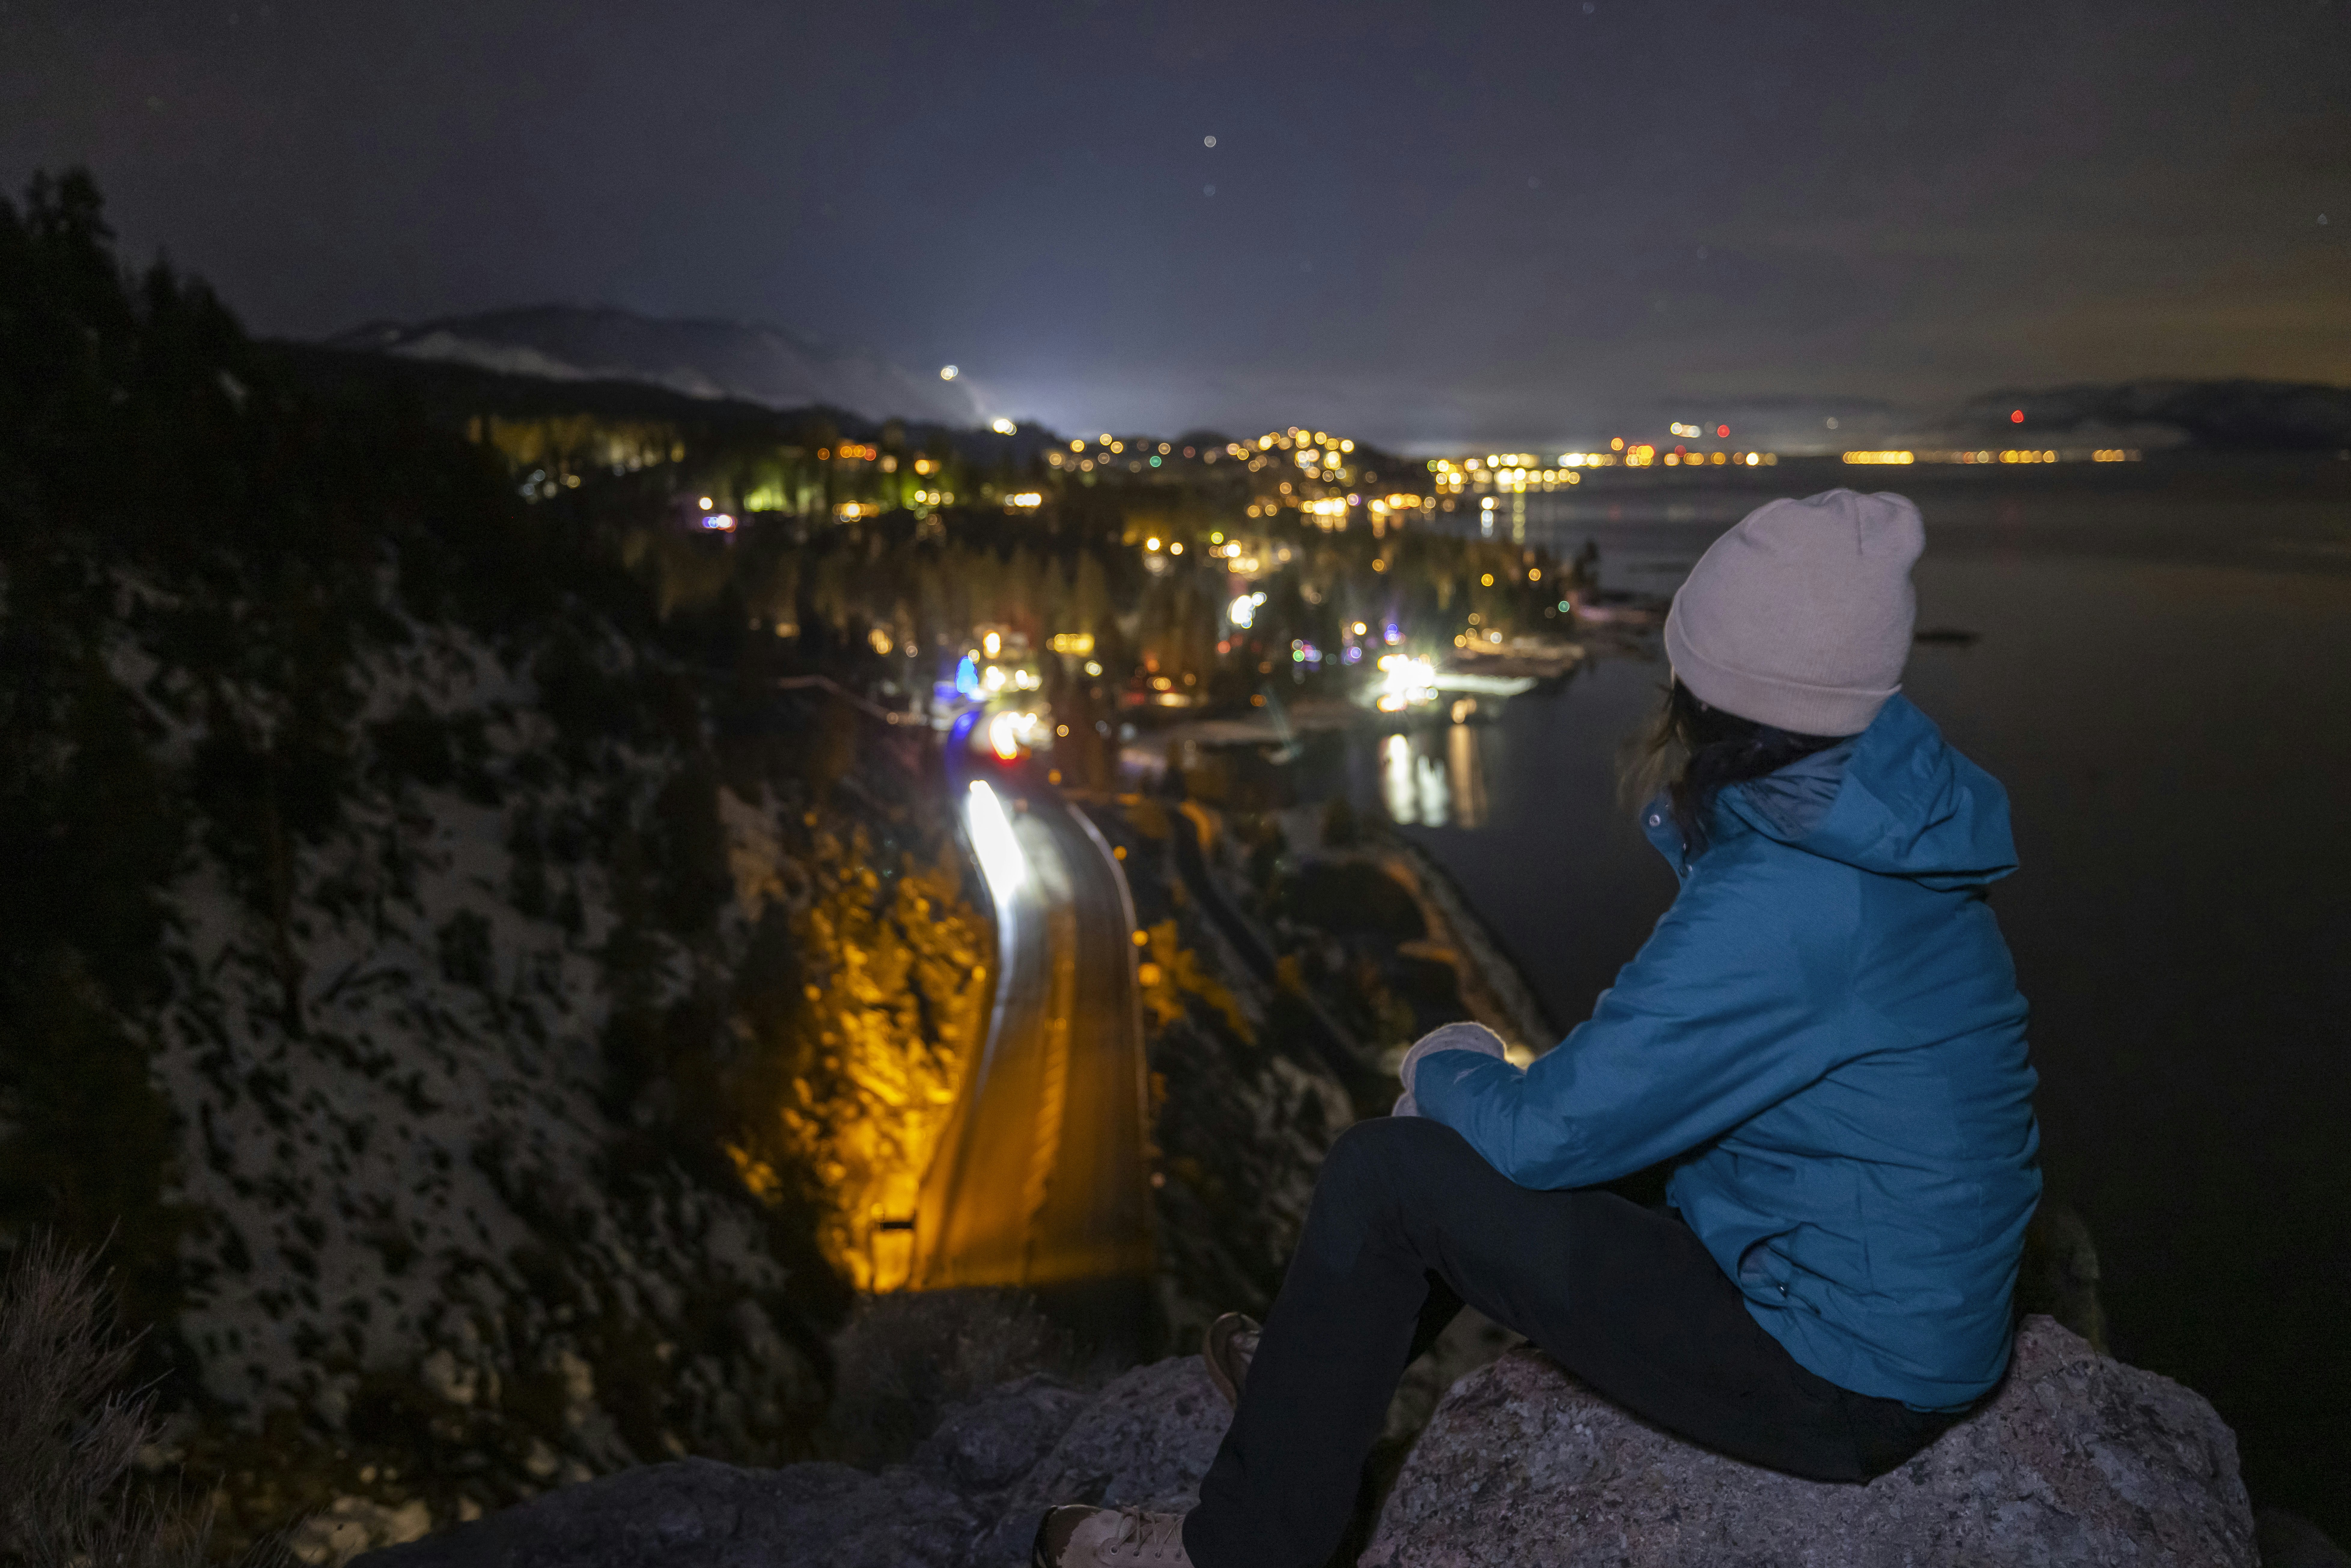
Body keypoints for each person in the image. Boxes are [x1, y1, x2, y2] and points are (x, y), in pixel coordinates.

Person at [1034, 489, 2042, 1568]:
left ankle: (1240, 1548)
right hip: (1894, 1305)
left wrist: (1446, 1058)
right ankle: (1314, 1364)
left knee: (1388, 1173)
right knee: (1525, 1142)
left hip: (1843, 1376)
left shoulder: (1795, 894)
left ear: (1716, 692)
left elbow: (1543, 1136)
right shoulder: (1867, 808)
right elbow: (1636, 1093)